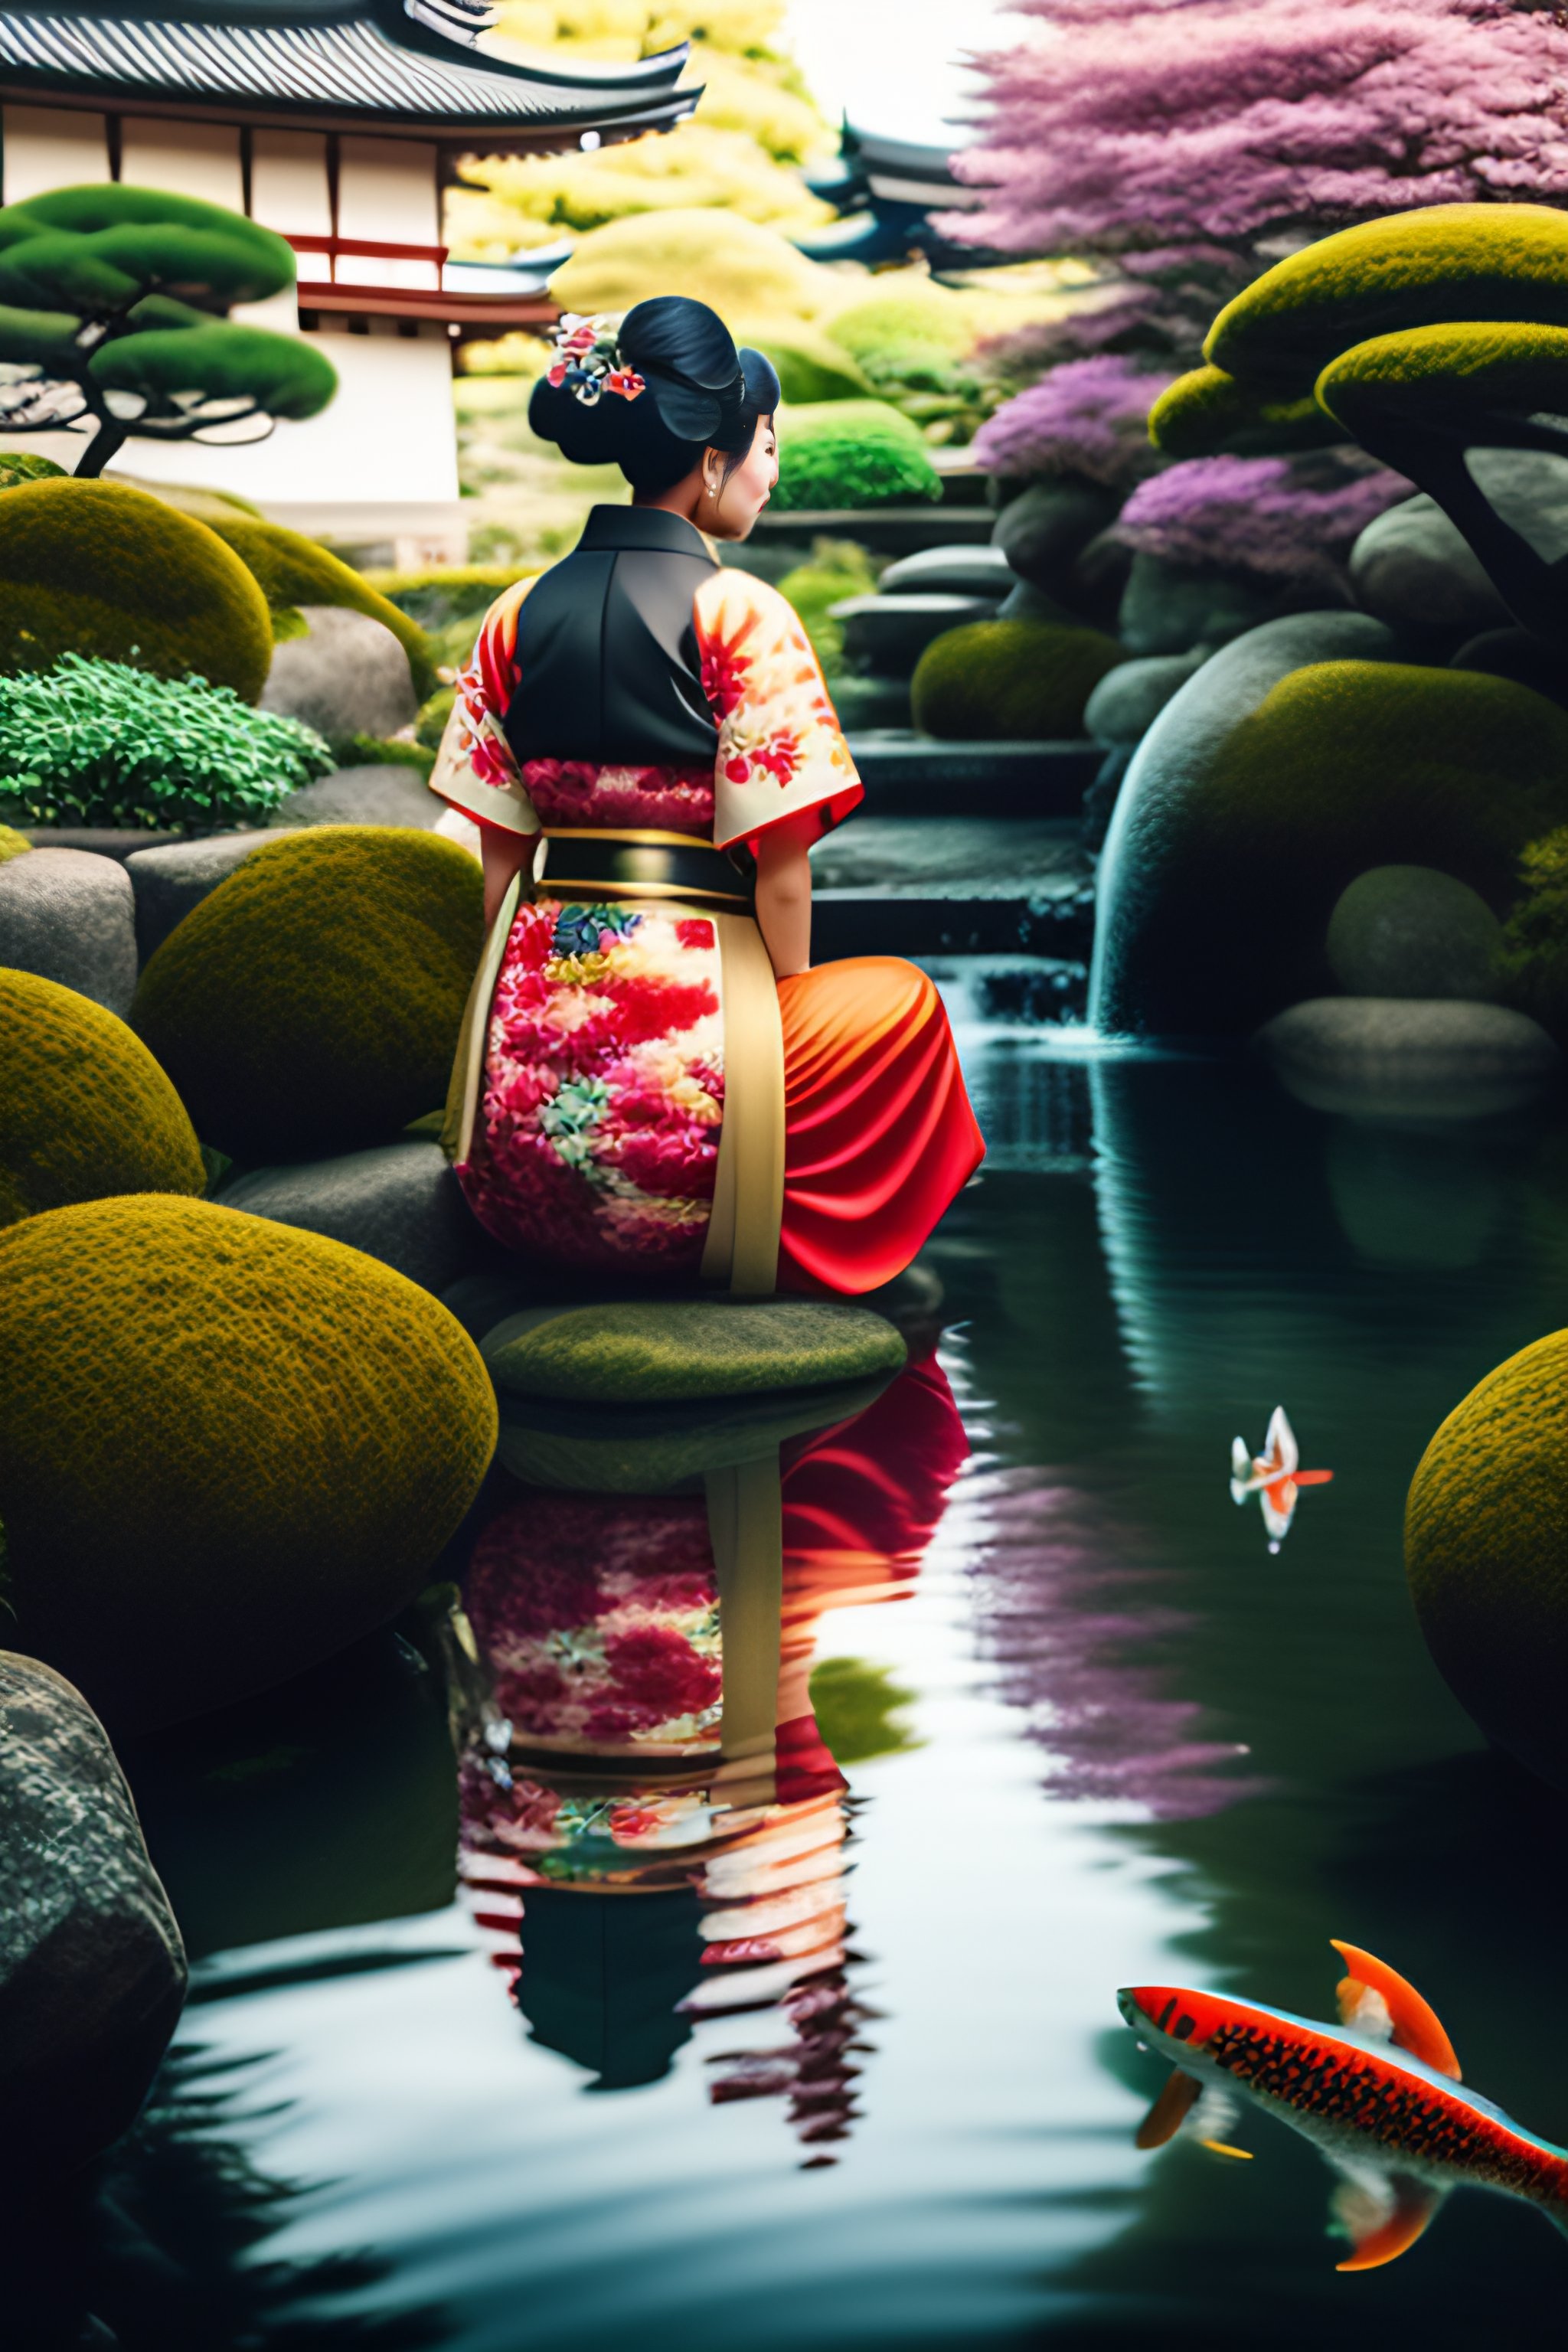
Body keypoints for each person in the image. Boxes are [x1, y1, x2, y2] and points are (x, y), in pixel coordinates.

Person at [429, 295, 982, 1295]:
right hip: (684, 1129)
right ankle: (767, 1217)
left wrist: (521, 1020)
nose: (770, 475)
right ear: (716, 458)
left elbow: (499, 862)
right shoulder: (739, 612)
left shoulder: (511, 614)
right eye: (767, 446)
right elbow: (781, 870)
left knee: (557, 1061)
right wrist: (780, 1030)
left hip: (521, 1136)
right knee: (904, 1003)